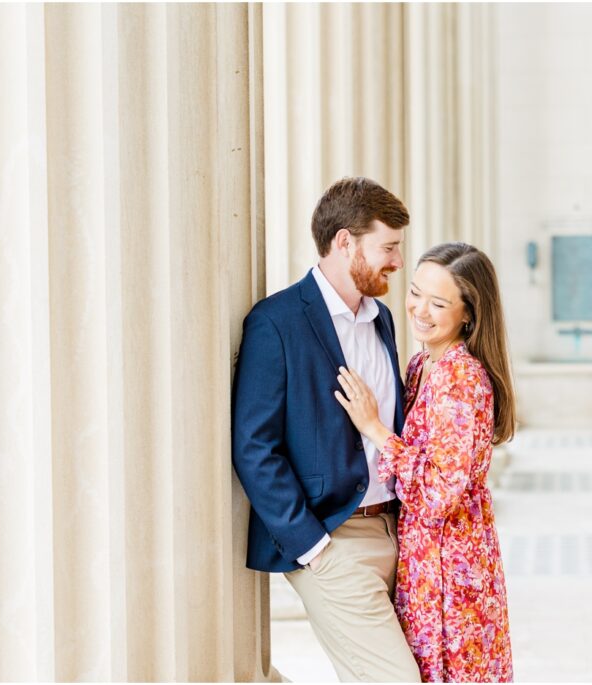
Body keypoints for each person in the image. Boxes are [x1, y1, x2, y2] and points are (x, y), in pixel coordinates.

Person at [231, 177, 421, 682]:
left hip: (395, 531)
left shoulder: (381, 319)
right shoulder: (277, 322)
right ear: (344, 241)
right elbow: (255, 447)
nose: (397, 262)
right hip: (333, 540)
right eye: (389, 247)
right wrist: (311, 547)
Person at [335, 242, 515, 683]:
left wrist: (376, 429)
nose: (420, 309)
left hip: (452, 565)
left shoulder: (459, 377)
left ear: (468, 314)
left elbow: (437, 494)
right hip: (425, 557)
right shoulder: (421, 365)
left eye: (438, 303)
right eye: (415, 293)